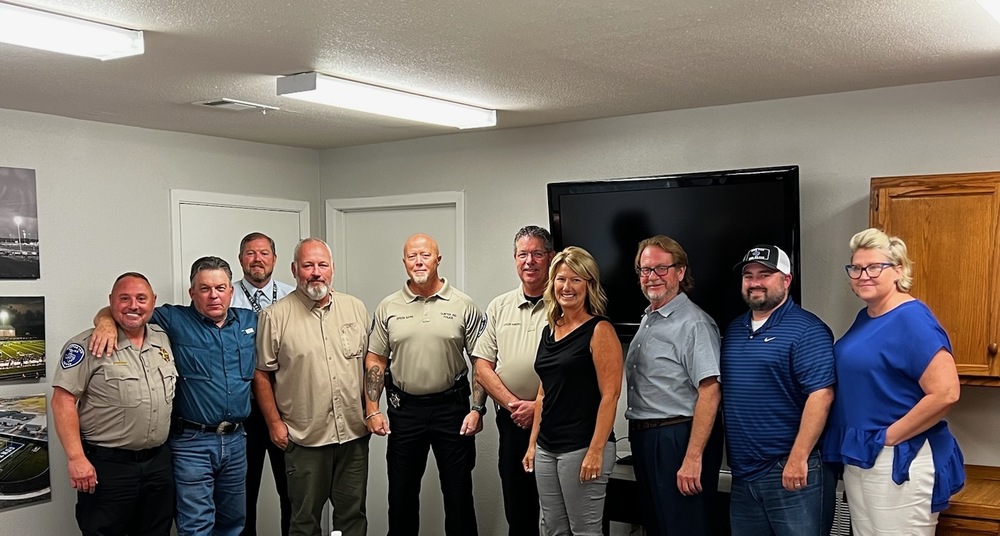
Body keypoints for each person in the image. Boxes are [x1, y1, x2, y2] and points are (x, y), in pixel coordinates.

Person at [91, 257, 257, 536]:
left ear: (231, 291)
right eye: (204, 289)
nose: (213, 295)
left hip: (236, 441)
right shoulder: (173, 319)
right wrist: (105, 321)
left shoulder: (250, 322)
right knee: (196, 524)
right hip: (192, 444)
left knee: (233, 522)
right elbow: (131, 312)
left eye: (220, 287)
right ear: (192, 293)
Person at [822, 228, 964, 535]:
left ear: (898, 270)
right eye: (856, 268)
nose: (863, 275)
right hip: (863, 455)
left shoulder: (912, 318)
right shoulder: (867, 316)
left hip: (899, 457)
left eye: (875, 266)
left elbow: (946, 392)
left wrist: (889, 437)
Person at [363, 233, 487, 536]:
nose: (418, 262)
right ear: (404, 262)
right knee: (401, 498)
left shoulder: (462, 304)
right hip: (406, 412)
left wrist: (477, 409)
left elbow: (481, 361)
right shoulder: (388, 306)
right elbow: (376, 359)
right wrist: (372, 409)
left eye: (425, 255)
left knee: (459, 497)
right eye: (411, 256)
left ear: (438, 259)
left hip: (452, 409)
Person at [253, 238, 371, 536]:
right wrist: (274, 423)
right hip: (305, 439)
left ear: (332, 269)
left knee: (353, 518)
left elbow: (371, 365)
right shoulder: (275, 316)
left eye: (322, 265)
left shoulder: (355, 308)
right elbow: (261, 374)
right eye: (308, 265)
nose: (316, 272)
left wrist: (372, 409)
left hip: (353, 436)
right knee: (304, 522)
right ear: (295, 269)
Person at [720, 244, 837, 536]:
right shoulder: (734, 330)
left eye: (765, 274)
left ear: (786, 279)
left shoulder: (807, 330)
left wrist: (798, 459)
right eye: (749, 275)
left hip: (791, 471)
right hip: (744, 475)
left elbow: (821, 395)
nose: (755, 282)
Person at [52, 273, 177, 536]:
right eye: (124, 298)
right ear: (111, 302)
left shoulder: (163, 339)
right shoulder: (86, 345)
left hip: (158, 464)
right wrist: (76, 458)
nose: (133, 305)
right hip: (108, 467)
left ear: (153, 302)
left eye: (141, 298)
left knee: (157, 531)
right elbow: (63, 401)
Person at [625, 236, 723, 536]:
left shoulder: (694, 324)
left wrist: (693, 458)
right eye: (645, 270)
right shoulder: (649, 318)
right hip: (645, 438)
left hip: (677, 438)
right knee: (657, 526)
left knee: (685, 527)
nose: (651, 277)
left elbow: (711, 391)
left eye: (660, 268)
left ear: (680, 272)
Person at [522, 246, 623, 536]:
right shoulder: (549, 330)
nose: (567, 287)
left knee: (585, 531)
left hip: (581, 446)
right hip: (546, 446)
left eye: (576, 280)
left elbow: (611, 395)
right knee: (552, 529)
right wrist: (532, 444)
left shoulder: (600, 330)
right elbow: (544, 394)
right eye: (561, 279)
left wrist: (596, 451)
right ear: (552, 283)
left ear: (589, 285)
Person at [472, 225, 555, 536]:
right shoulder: (499, 306)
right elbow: (482, 366)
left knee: (556, 514)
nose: (529, 261)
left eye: (537, 254)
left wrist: (538, 407)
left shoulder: (566, 302)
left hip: (554, 423)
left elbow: (577, 371)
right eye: (523, 254)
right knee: (519, 510)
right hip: (512, 423)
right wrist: (513, 405)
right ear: (515, 259)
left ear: (551, 257)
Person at [230, 232, 294, 536]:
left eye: (264, 253)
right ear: (241, 258)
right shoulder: (224, 297)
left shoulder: (295, 296)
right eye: (250, 253)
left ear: (275, 259)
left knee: (292, 493)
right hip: (243, 410)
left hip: (288, 409)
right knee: (243, 495)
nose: (257, 259)